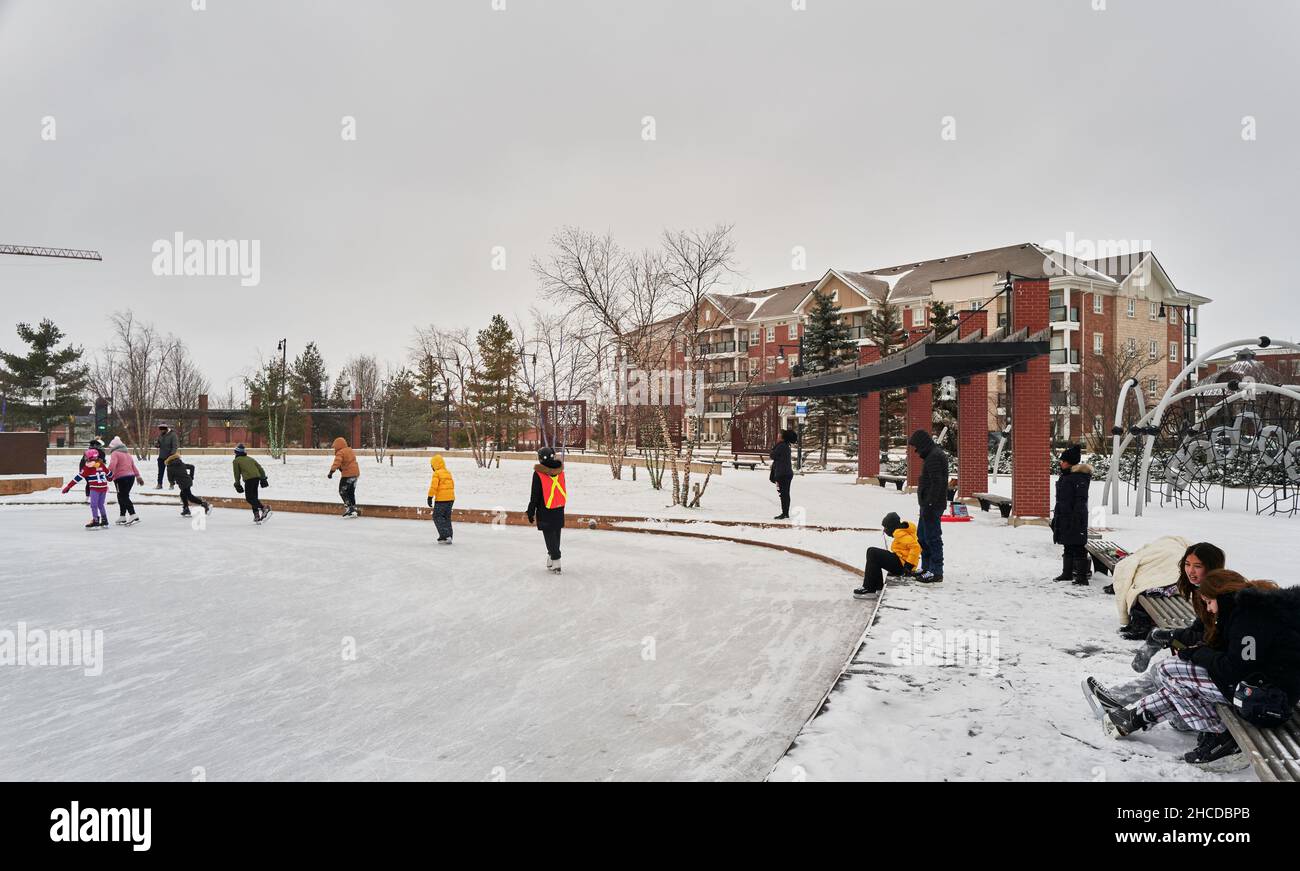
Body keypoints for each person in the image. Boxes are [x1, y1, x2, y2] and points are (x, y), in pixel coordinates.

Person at [1101, 569, 1300, 769]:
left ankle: (1220, 736)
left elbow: (1237, 668)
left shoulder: (1251, 618)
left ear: (1223, 596)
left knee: (1171, 672)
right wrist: (1199, 653)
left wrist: (1198, 655)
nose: (1210, 609)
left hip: (1270, 699)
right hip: (1256, 686)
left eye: (1209, 602)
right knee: (1177, 674)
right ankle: (1135, 717)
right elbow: (1235, 658)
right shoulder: (1242, 611)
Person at [1086, 542, 1227, 714]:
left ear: (1211, 567)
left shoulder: (1221, 596)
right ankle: (1117, 700)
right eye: (1187, 565)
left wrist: (1188, 650)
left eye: (1197, 566)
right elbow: (1199, 630)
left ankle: (1118, 701)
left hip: (1224, 669)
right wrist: (1172, 636)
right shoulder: (1203, 592)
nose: (1191, 571)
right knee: (1168, 666)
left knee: (1166, 669)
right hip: (1215, 658)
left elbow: (1216, 639)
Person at [907, 429, 947, 583]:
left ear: (923, 444)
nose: (916, 451)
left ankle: (936, 571)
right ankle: (926, 567)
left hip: (932, 505)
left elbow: (938, 482)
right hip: (927, 505)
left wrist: (929, 503)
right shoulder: (932, 455)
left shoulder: (934, 457)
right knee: (922, 537)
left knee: (932, 537)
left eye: (916, 446)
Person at [1049, 444, 1092, 585]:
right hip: (1064, 516)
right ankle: (1067, 573)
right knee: (1067, 544)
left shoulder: (1079, 478)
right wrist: (1058, 517)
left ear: (1070, 462)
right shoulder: (1066, 476)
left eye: (1063, 461)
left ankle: (1081, 577)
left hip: (1075, 518)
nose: (1060, 463)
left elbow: (1080, 500)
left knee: (1078, 547)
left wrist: (1076, 518)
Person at [853, 511, 920, 598]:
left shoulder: (900, 533)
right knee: (874, 556)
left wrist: (909, 565)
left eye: (886, 527)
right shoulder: (901, 531)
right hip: (901, 561)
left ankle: (869, 588)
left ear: (892, 526)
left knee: (872, 552)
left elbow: (916, 547)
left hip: (902, 566)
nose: (885, 530)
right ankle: (877, 587)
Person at [526, 446, 566, 574]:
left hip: (545, 508)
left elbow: (535, 495)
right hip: (558, 505)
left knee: (549, 534)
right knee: (556, 533)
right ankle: (551, 557)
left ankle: (556, 560)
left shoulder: (538, 473)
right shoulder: (560, 471)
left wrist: (530, 510)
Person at [62, 449, 113, 529]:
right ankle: (104, 521)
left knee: (94, 505)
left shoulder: (88, 467)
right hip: (103, 488)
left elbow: (78, 477)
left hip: (95, 489)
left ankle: (95, 521)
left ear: (90, 457)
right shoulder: (100, 464)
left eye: (86, 456)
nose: (85, 458)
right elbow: (109, 473)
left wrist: (68, 486)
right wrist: (110, 478)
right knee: (100, 505)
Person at [105, 436, 143, 525]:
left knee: (123, 496)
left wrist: (109, 473)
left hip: (120, 478)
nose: (110, 448)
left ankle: (133, 514)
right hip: (131, 477)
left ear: (115, 446)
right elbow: (133, 466)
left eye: (111, 446)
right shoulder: (127, 454)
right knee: (122, 495)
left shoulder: (115, 453)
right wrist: (138, 476)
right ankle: (122, 516)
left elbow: (113, 464)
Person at [232, 444, 271, 523]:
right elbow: (260, 468)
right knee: (254, 498)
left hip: (249, 479)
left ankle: (264, 508)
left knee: (249, 498)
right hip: (256, 478)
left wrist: (237, 484)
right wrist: (263, 478)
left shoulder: (236, 461)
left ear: (237, 453)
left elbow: (237, 474)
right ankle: (256, 515)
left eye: (235, 452)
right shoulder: (250, 458)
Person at [164, 452, 210, 517]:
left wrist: (172, 483)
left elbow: (170, 478)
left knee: (189, 497)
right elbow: (192, 467)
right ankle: (186, 509)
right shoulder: (181, 463)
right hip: (188, 481)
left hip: (182, 483)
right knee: (182, 494)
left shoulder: (170, 467)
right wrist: (191, 476)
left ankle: (204, 504)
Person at [327, 436, 360, 518]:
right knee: (350, 492)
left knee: (342, 491)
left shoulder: (340, 452)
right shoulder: (350, 450)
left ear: (338, 446)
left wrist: (331, 472)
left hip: (348, 475)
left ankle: (350, 508)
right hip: (355, 474)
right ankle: (353, 508)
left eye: (335, 447)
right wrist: (341, 468)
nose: (334, 449)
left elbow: (337, 462)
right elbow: (349, 462)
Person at [426, 454, 455, 544]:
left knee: (437, 516)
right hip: (451, 499)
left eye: (432, 465)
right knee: (446, 518)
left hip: (441, 500)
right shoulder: (448, 472)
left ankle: (445, 536)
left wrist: (430, 497)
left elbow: (434, 486)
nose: (432, 467)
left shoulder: (437, 473)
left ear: (435, 465)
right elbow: (452, 485)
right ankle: (449, 535)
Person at [769, 429, 796, 520]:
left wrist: (775, 447)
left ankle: (785, 513)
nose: (777, 437)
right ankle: (785, 512)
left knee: (783, 494)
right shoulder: (785, 446)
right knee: (785, 493)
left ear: (782, 437)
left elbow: (772, 455)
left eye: (779, 435)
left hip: (782, 474)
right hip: (786, 473)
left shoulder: (781, 446)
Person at [154, 424, 178, 490]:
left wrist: (171, 455)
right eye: (160, 430)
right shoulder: (160, 435)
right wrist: (156, 444)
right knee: (160, 472)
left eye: (162, 430)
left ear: (166, 429)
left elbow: (175, 446)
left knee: (170, 472)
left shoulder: (173, 435)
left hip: (170, 457)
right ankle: (159, 484)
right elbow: (158, 444)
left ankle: (171, 484)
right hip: (161, 457)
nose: (161, 432)